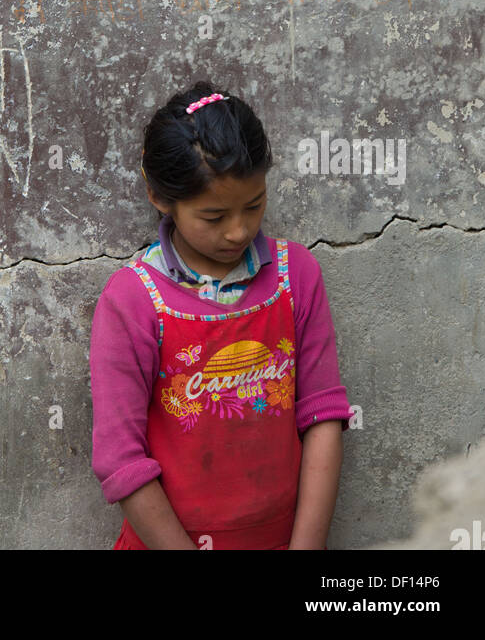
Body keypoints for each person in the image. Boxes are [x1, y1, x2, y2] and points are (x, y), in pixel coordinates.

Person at [89, 81, 350, 550]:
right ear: (159, 197)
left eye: (254, 205)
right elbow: (119, 459)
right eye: (213, 217)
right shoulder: (133, 301)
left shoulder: (297, 276)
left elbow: (323, 416)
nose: (239, 231)